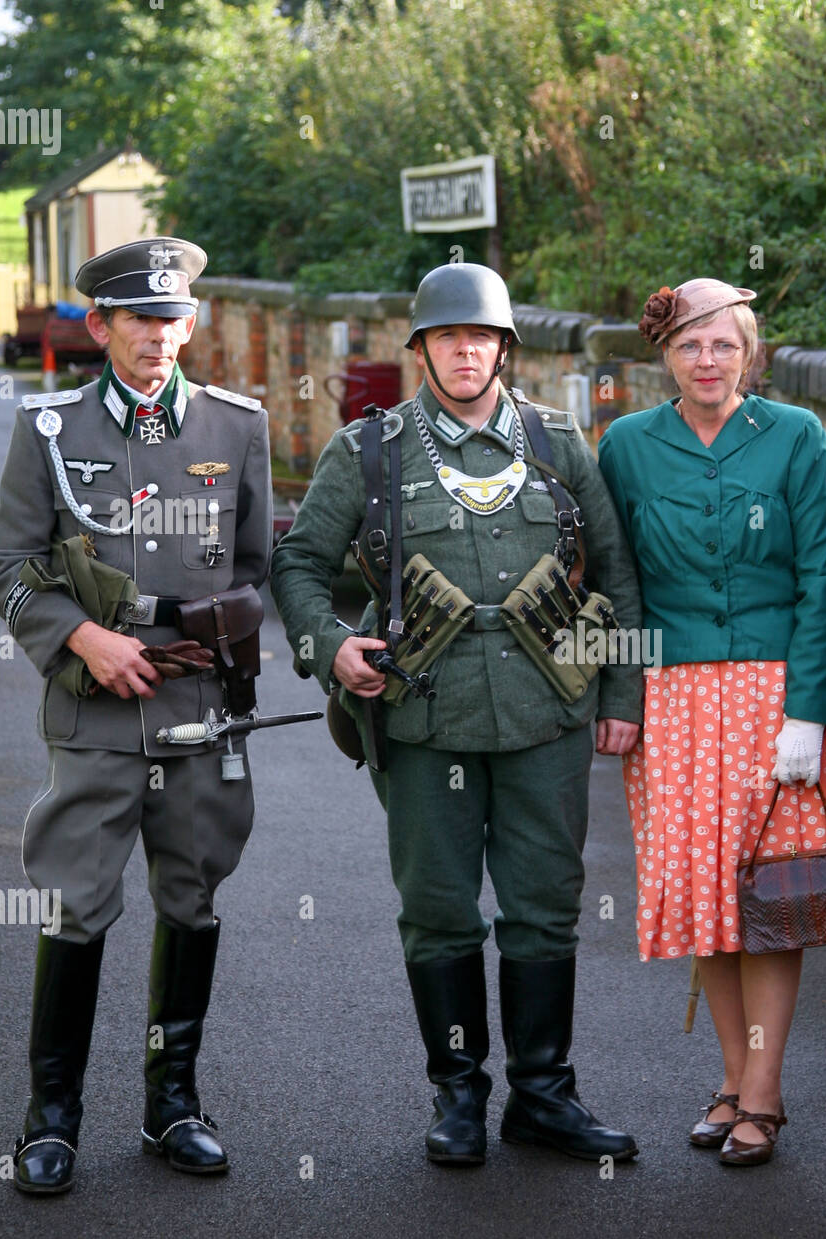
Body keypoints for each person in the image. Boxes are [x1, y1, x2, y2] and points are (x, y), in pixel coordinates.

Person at [271, 262, 643, 1165]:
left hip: (547, 717)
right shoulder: (372, 450)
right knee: (438, 912)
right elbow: (298, 566)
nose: (466, 351)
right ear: (424, 349)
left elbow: (618, 572)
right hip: (421, 720)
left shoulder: (558, 442)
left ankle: (545, 1096)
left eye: (481, 337)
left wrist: (623, 696)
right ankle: (459, 1097)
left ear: (504, 347)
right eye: (448, 337)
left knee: (546, 908)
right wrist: (332, 648)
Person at [0, 237, 274, 1192]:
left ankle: (172, 1105)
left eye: (172, 316)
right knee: (76, 903)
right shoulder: (52, 430)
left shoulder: (237, 427)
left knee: (191, 900)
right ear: (101, 327)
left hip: (196, 706)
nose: (158, 334)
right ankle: (50, 1119)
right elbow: (11, 570)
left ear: (192, 323)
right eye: (138, 318)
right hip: (96, 711)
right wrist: (83, 639)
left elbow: (253, 572)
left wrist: (224, 642)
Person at [597, 277, 826, 1166]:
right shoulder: (629, 446)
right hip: (674, 699)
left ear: (751, 351)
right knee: (703, 898)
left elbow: (823, 576)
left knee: (773, 896)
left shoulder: (793, 434)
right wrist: (624, 695)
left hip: (772, 698)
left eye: (724, 344)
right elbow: (617, 582)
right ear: (664, 358)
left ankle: (763, 1093)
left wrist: (808, 714)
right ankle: (727, 1080)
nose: (707, 361)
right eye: (688, 346)